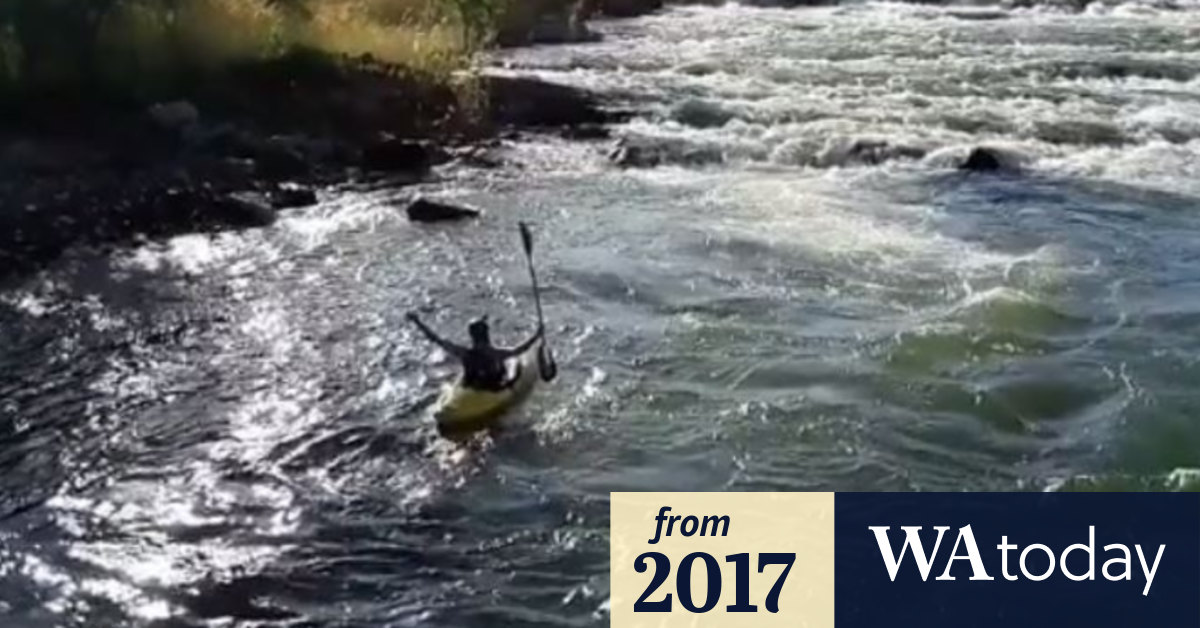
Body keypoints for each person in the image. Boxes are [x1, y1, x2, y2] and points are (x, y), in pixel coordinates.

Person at [407, 312, 544, 391]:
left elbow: (435, 339)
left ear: (472, 337)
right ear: (487, 335)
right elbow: (520, 349)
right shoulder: (497, 354)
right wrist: (537, 335)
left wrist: (417, 321)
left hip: (473, 388)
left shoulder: (464, 353)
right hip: (493, 388)